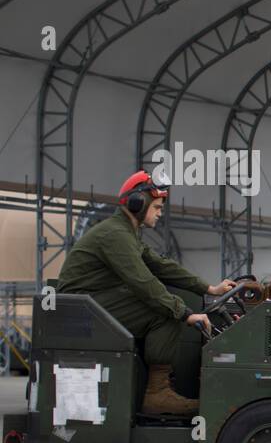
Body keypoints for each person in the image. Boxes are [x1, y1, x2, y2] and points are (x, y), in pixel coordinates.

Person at [56, 171, 235, 415]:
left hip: (89, 305)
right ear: (137, 203)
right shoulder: (115, 235)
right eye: (158, 207)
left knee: (168, 305)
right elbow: (142, 281)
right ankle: (157, 394)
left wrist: (209, 288)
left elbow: (160, 265)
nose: (160, 212)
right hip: (80, 311)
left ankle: (156, 388)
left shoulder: (126, 233)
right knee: (166, 312)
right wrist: (184, 313)